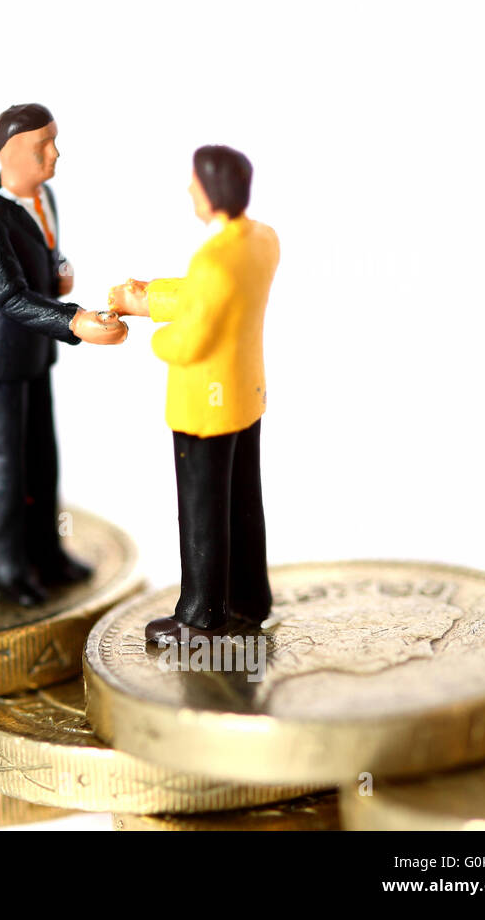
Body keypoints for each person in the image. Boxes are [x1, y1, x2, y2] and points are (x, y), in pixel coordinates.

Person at [108, 145, 279, 643]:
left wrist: (155, 337)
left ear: (212, 191)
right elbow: (211, 296)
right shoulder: (261, 240)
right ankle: (250, 598)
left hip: (205, 402)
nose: (189, 190)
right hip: (245, 393)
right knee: (244, 500)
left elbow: (190, 338)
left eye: (194, 183)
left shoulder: (213, 260)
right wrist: (149, 297)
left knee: (202, 509)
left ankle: (201, 616)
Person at [0, 103, 126, 607]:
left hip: (35, 352)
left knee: (43, 458)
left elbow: (48, 254)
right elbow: (9, 296)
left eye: (54, 141)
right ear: (11, 156)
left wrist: (61, 271)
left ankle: (46, 553)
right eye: (42, 147)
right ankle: (6, 568)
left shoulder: (45, 196)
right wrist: (74, 320)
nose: (55, 154)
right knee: (6, 466)